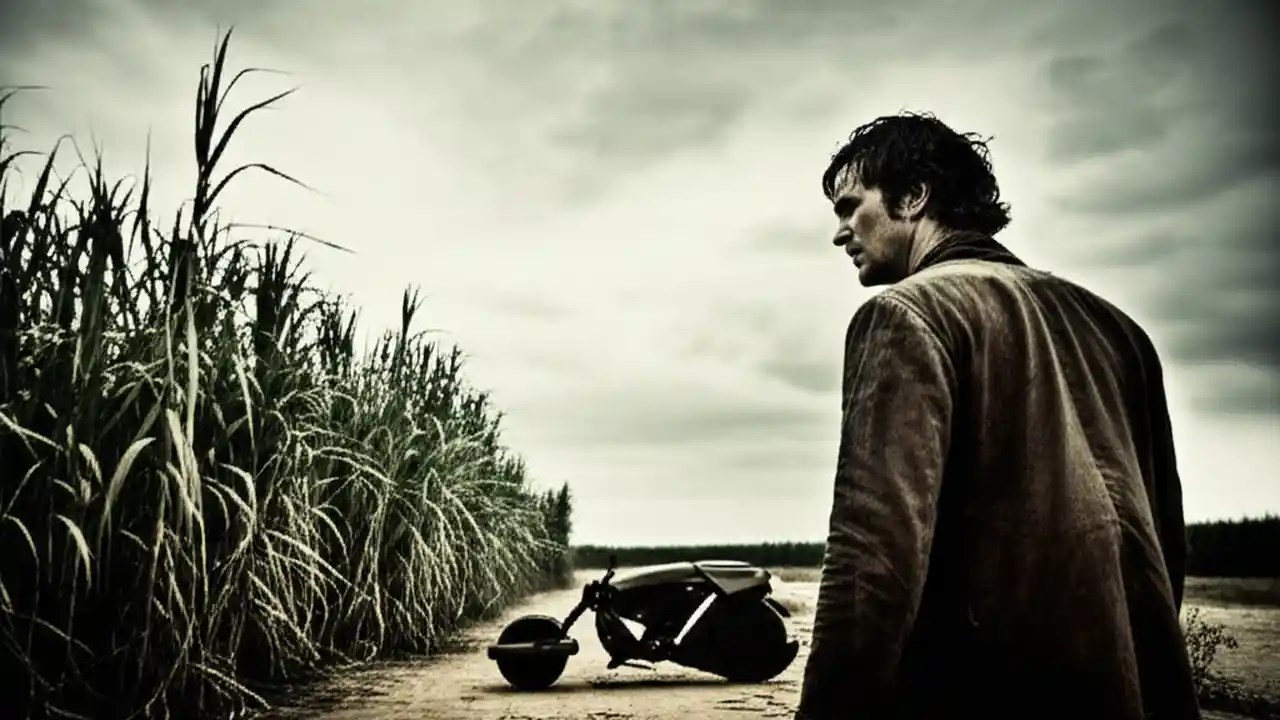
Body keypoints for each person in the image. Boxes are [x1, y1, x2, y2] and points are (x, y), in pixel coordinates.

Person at [793, 112, 1201, 720]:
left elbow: (871, 566)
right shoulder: (1121, 331)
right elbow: (1164, 548)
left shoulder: (907, 314)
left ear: (912, 197)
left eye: (851, 206)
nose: (841, 232)